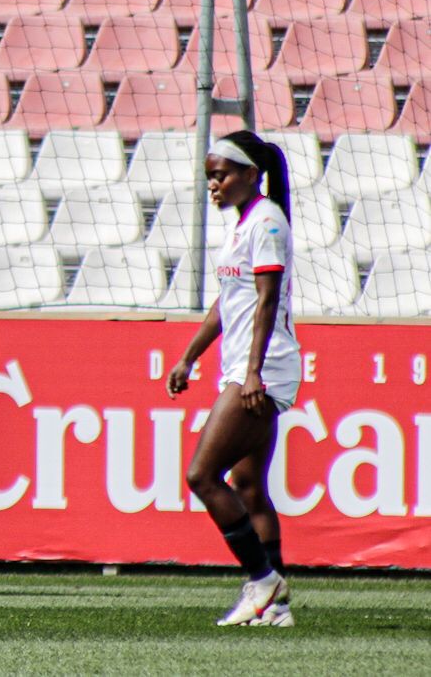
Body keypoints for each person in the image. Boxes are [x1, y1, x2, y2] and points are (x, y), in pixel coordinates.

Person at [168, 130, 298, 628]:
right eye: (209, 177)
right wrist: (188, 357)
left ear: (250, 174)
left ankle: (262, 580)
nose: (213, 185)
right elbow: (229, 302)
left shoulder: (266, 222)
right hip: (249, 367)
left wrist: (251, 373)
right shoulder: (245, 222)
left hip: (260, 370)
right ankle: (277, 609)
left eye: (220, 175)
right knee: (247, 486)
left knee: (201, 475)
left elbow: (267, 301)